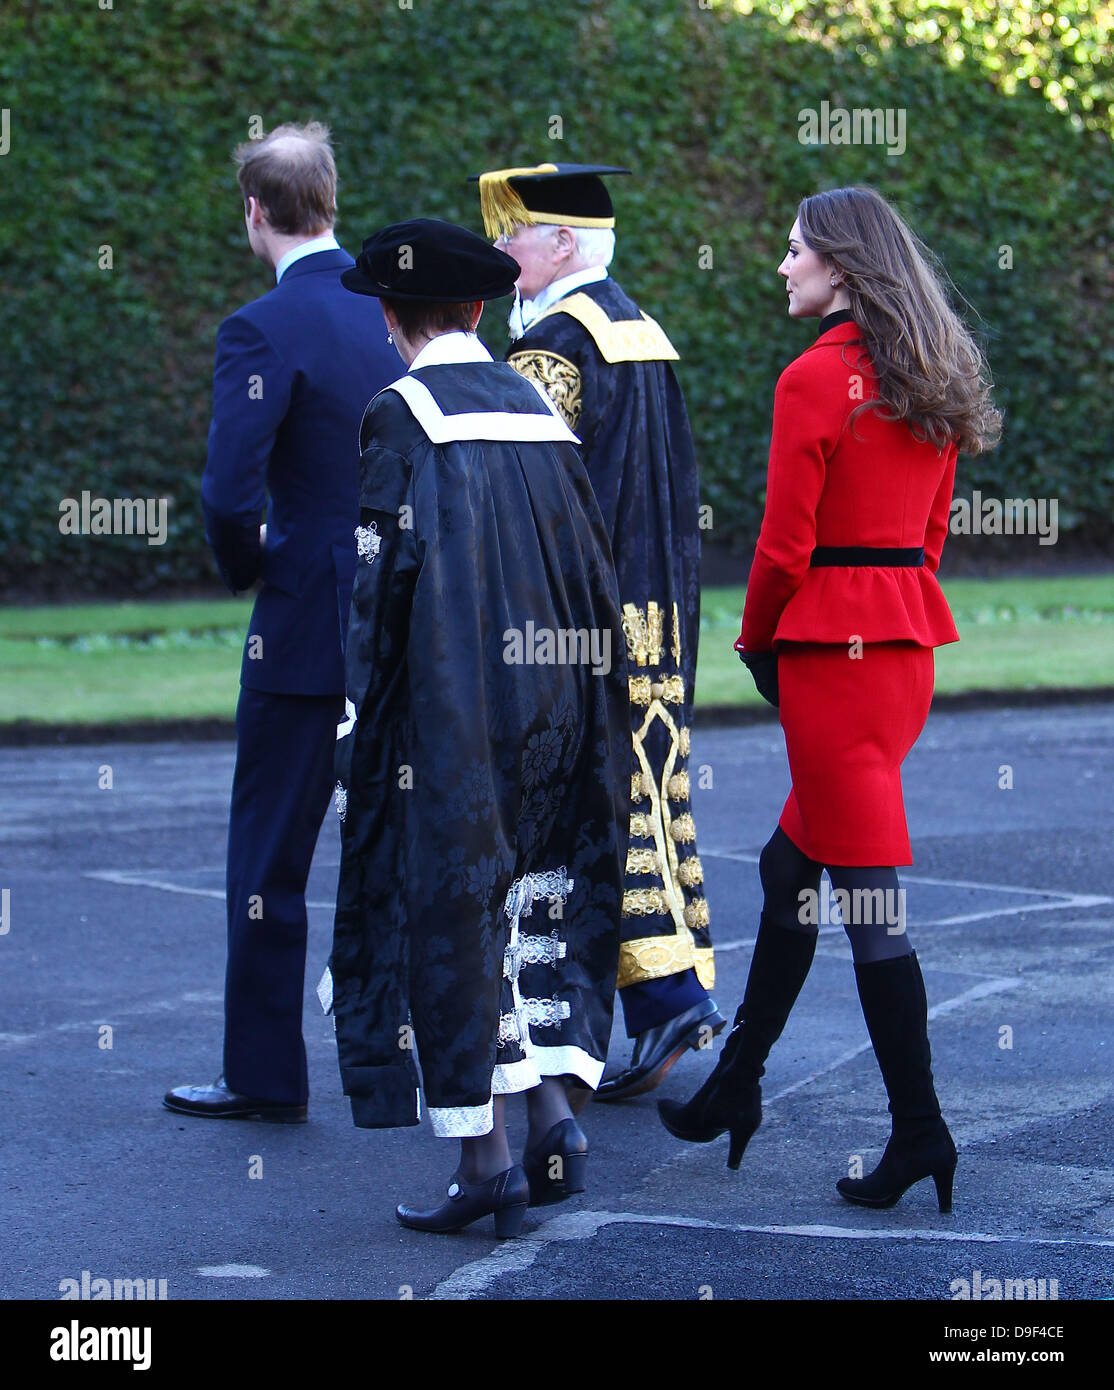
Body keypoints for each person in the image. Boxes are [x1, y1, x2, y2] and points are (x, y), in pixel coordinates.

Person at [658, 186, 1001, 1212]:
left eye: (794, 249)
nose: (780, 264)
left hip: (827, 654)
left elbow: (780, 546)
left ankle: (919, 1130)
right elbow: (931, 530)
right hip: (900, 647)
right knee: (788, 861)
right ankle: (738, 1081)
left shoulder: (813, 379)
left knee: (871, 906)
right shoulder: (927, 371)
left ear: (841, 269)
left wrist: (757, 640)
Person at [328, 218, 630, 1238]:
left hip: (453, 708)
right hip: (553, 697)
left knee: (457, 915)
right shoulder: (532, 404)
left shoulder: (400, 413)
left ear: (387, 315)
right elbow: (590, 565)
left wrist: (359, 729)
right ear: (473, 308)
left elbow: (380, 587)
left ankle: (486, 1159)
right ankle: (554, 1123)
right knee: (533, 908)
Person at [474, 162, 724, 1103]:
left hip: (577, 623)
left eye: (513, 234)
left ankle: (590, 1034)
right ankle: (669, 996)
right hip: (656, 605)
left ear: (563, 244)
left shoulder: (553, 346)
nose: (501, 251)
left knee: (581, 822)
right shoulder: (640, 328)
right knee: (649, 795)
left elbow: (529, 497)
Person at [164, 123, 400, 1122]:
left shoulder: (261, 328)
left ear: (256, 212)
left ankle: (265, 1074)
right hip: (403, 611)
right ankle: (407, 1067)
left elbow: (226, 493)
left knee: (272, 857)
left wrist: (250, 567)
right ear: (333, 198)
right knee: (406, 843)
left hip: (304, 626)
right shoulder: (394, 304)